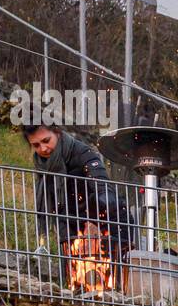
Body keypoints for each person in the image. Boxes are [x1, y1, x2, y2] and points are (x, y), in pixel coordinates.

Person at [22, 124, 135, 291]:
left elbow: (102, 184)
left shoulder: (83, 153)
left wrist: (98, 214)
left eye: (46, 141)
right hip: (71, 225)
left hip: (107, 223)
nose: (43, 148)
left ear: (58, 132)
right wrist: (64, 236)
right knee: (76, 282)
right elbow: (56, 206)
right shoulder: (43, 165)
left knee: (108, 281)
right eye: (36, 145)